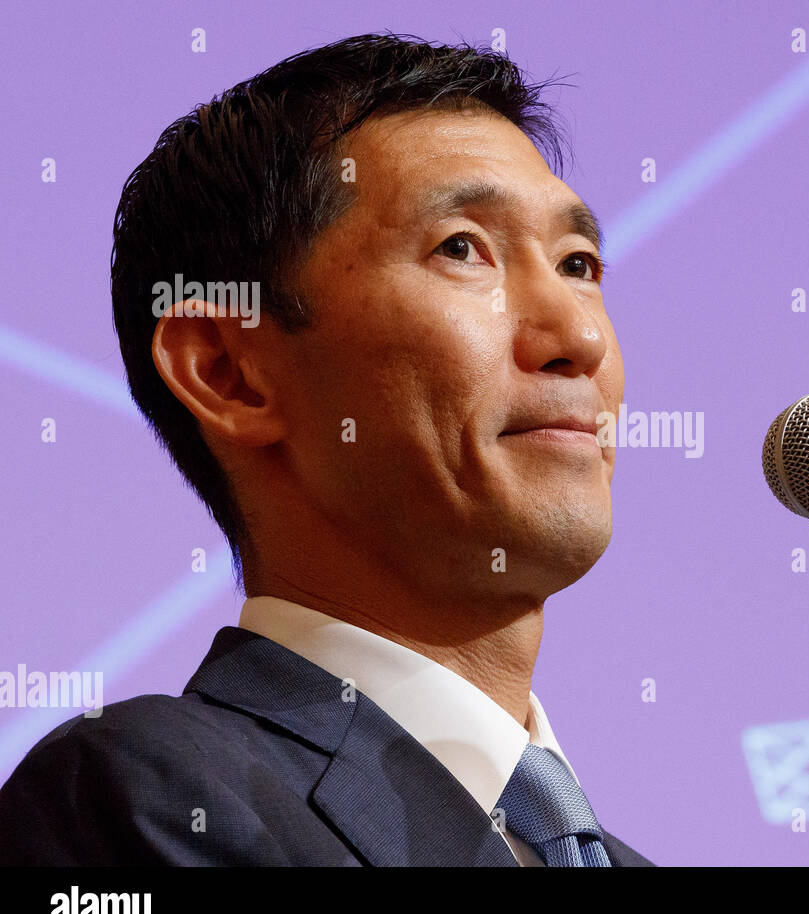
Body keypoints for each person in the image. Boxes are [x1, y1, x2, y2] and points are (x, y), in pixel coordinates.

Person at [0, 33, 652, 867]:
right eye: (463, 249)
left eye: (579, 263)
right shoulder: (145, 793)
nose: (580, 336)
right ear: (230, 374)